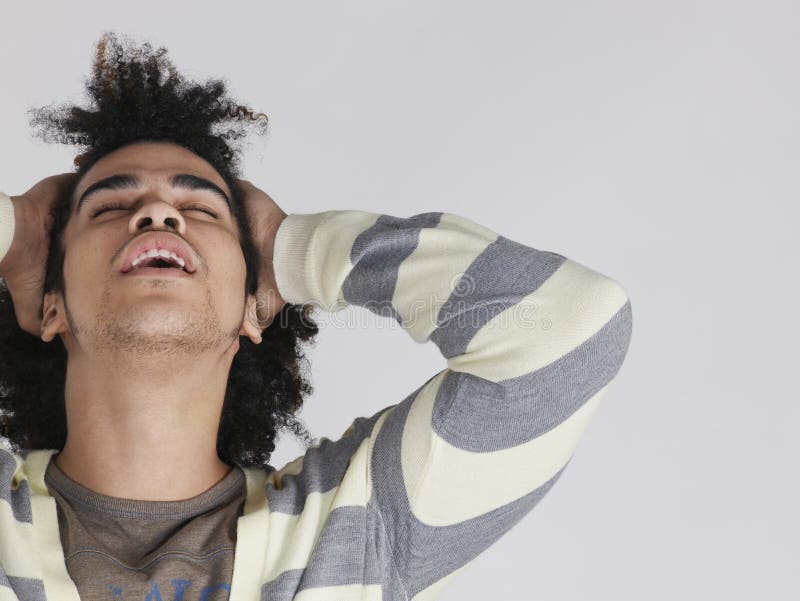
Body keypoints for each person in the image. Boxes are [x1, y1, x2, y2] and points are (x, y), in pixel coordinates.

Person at [0, 32, 633, 601]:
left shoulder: (354, 529)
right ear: (50, 301)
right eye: (111, 208)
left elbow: (573, 322)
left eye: (203, 211)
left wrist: (293, 246)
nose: (159, 215)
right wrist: (19, 230)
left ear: (255, 307)